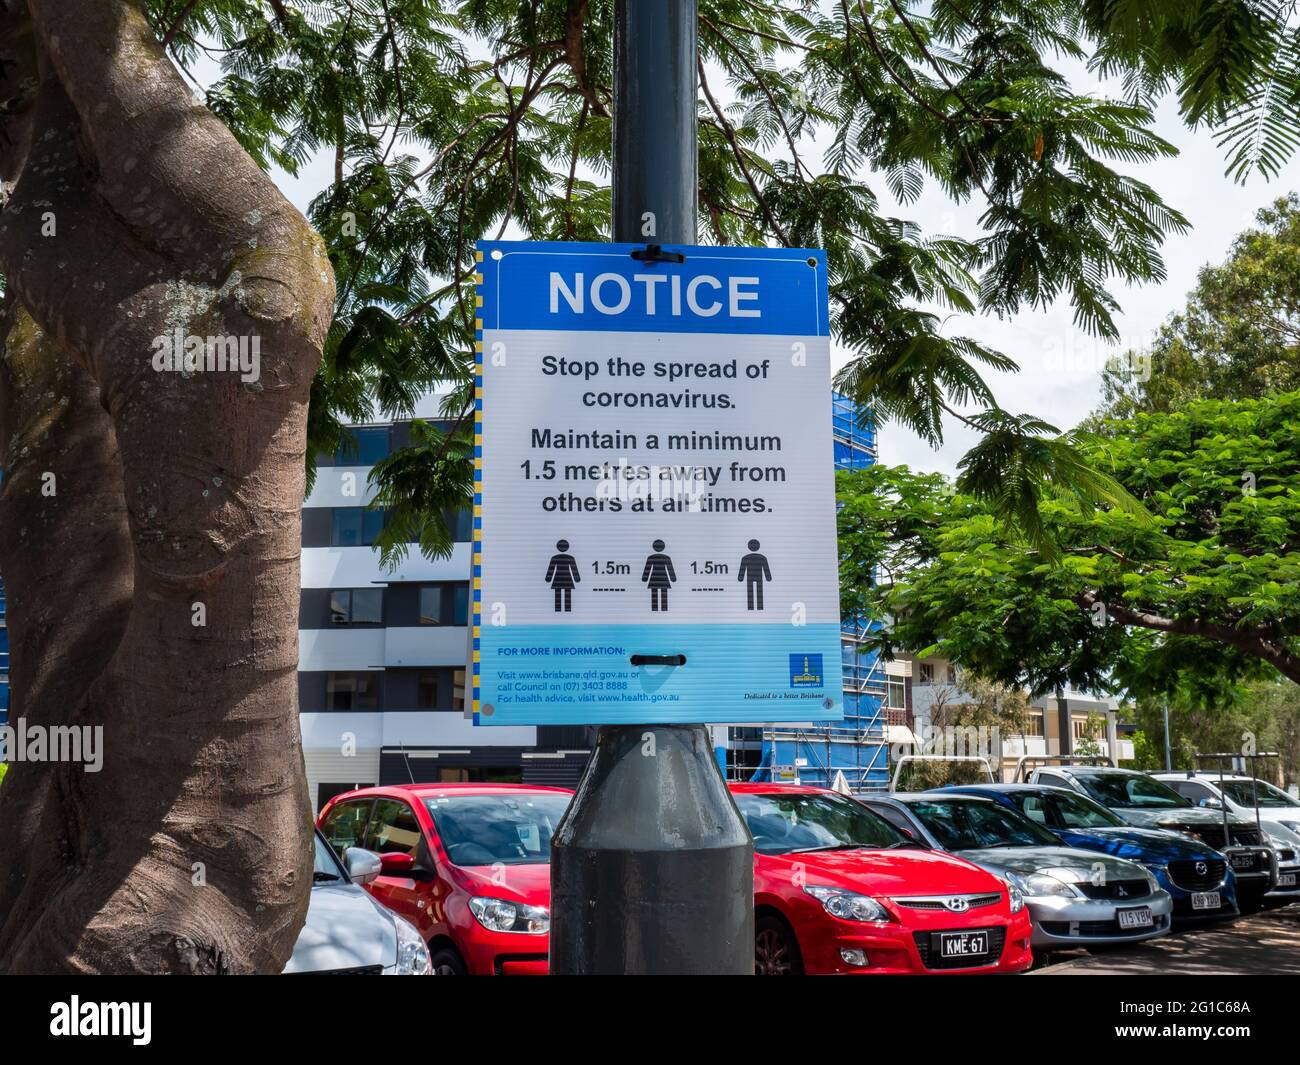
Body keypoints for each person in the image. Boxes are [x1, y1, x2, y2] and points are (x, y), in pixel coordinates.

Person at [544, 539, 580, 612]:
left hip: (557, 578)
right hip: (568, 578)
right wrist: (577, 579)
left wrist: (548, 579)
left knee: (558, 596)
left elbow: (551, 569)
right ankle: (567, 609)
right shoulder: (570, 558)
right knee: (568, 595)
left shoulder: (555, 558)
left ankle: (558, 610)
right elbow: (574, 569)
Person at [641, 539, 676, 612]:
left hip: (654, 578)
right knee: (664, 594)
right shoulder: (666, 557)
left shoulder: (651, 557)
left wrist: (645, 578)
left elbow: (647, 568)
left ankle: (655, 609)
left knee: (654, 594)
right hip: (664, 577)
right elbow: (670, 569)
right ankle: (664, 608)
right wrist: (673, 578)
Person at [736, 539, 771, 611]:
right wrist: (768, 578)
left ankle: (750, 608)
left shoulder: (745, 558)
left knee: (750, 592)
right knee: (759, 592)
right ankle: (760, 607)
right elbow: (766, 568)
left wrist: (740, 578)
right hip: (759, 577)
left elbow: (742, 569)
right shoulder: (762, 557)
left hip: (750, 577)